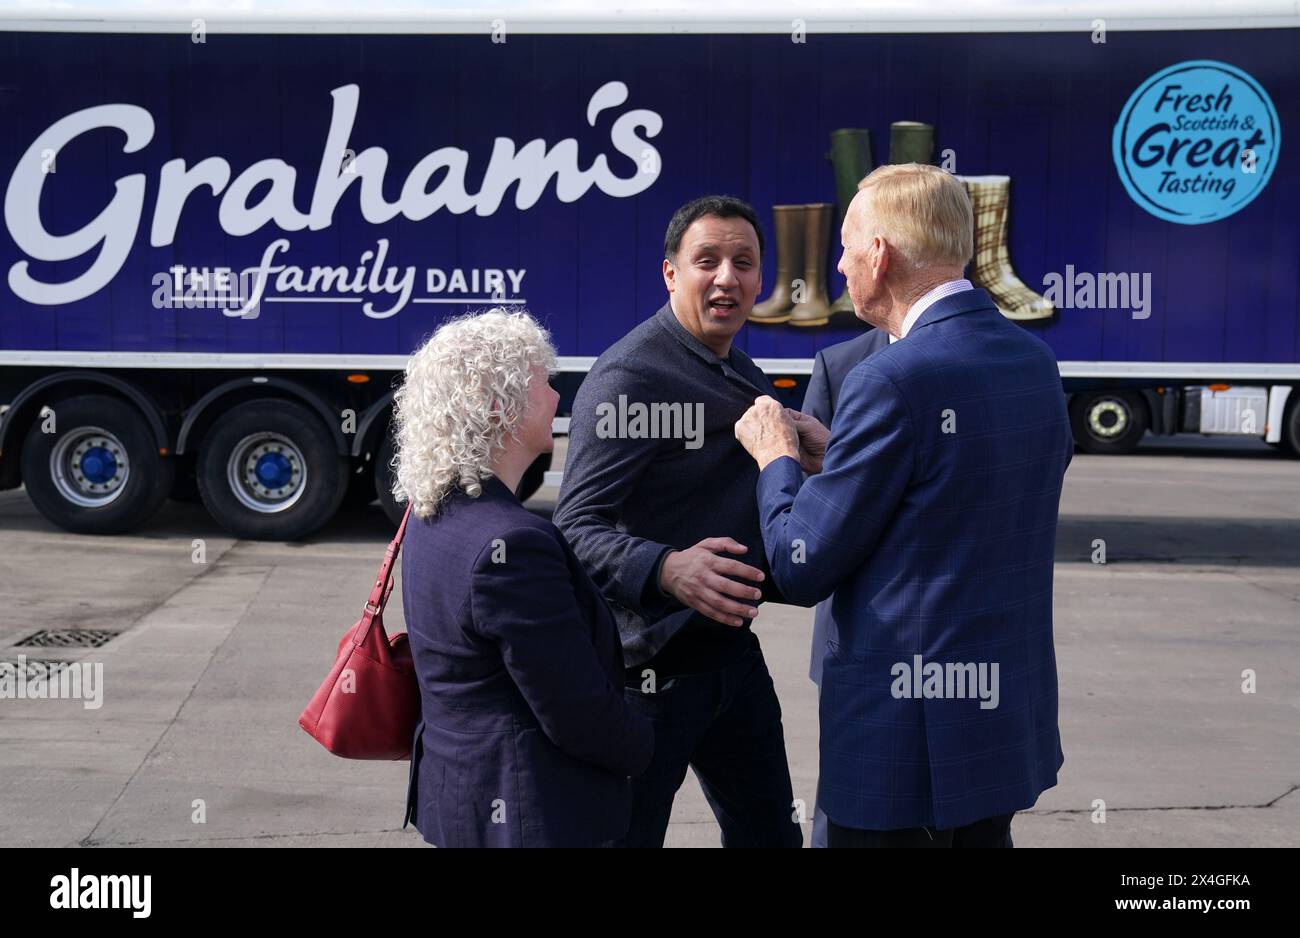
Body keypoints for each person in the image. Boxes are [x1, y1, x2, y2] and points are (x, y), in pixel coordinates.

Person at [734, 164, 1073, 848]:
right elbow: (959, 497)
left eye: (847, 245)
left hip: (904, 737)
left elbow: (800, 565)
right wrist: (849, 459)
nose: (839, 262)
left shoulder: (890, 376)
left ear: (880, 255)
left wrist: (776, 457)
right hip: (998, 721)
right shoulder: (1032, 360)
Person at [554, 196, 803, 848]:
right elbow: (575, 527)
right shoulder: (630, 376)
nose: (728, 278)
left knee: (772, 837)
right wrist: (666, 567)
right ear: (671, 274)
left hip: (731, 662)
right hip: (645, 678)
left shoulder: (746, 376)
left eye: (744, 263)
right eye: (707, 261)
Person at [393, 309, 653, 848]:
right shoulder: (512, 545)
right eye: (544, 382)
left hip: (460, 801)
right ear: (499, 406)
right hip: (529, 815)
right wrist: (646, 742)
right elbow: (575, 712)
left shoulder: (428, 513)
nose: (558, 398)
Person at [800, 326, 888, 849]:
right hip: (852, 632)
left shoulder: (971, 357)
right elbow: (819, 503)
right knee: (843, 796)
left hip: (951, 644)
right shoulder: (840, 363)